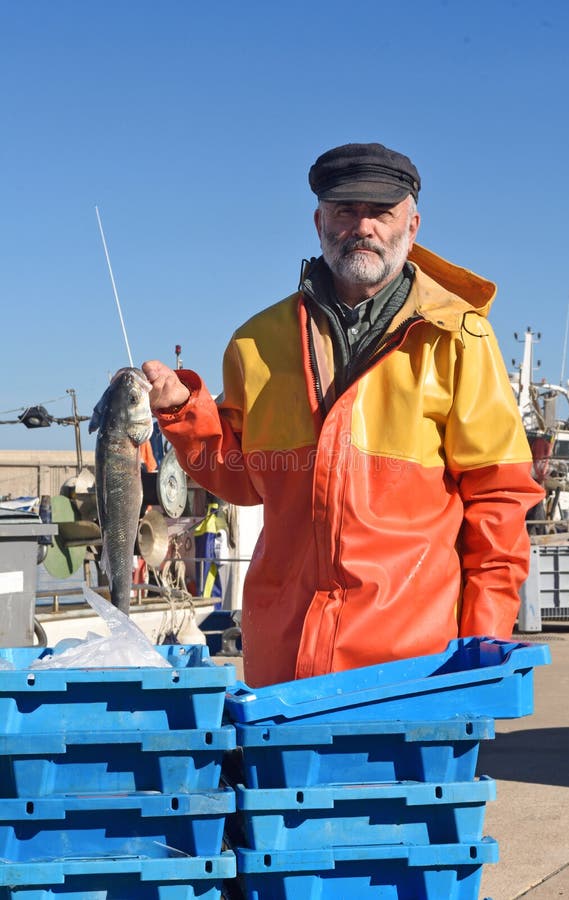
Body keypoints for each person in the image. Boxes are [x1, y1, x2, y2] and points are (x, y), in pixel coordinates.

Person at [143, 142, 544, 688]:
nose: (364, 227)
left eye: (381, 211)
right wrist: (185, 415)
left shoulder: (459, 340)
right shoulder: (255, 342)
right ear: (318, 221)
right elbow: (241, 481)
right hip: (282, 661)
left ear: (413, 223)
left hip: (417, 665)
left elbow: (499, 501)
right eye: (345, 210)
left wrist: (482, 642)